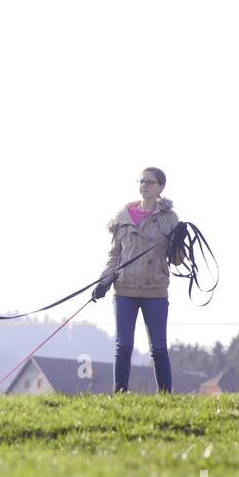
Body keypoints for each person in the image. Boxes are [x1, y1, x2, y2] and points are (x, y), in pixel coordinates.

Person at [92, 167, 184, 393]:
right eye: (142, 181)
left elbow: (176, 260)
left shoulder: (170, 219)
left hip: (155, 290)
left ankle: (165, 396)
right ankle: (120, 393)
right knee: (123, 346)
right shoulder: (122, 218)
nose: (144, 185)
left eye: (150, 182)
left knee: (159, 348)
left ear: (161, 187)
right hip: (124, 289)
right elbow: (115, 254)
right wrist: (103, 281)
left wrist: (179, 243)